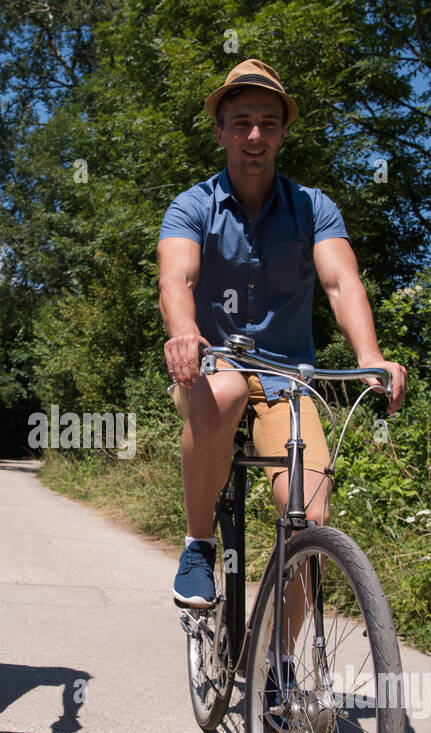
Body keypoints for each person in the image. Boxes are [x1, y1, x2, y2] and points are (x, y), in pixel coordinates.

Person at [158, 59, 406, 609]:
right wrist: (183, 333)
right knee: (221, 389)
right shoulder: (193, 206)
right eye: (241, 121)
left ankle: (282, 665)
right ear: (220, 131)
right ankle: (198, 545)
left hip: (290, 380)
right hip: (213, 367)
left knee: (308, 523)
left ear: (283, 133)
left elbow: (342, 283)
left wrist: (372, 357)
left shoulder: (314, 208)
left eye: (268, 123)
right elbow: (177, 276)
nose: (254, 135)